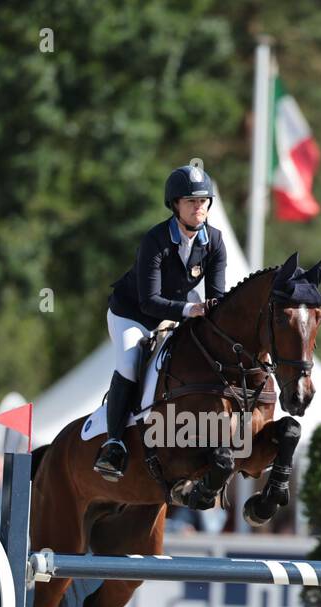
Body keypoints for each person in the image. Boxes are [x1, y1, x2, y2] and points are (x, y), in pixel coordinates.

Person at [93, 164, 228, 480]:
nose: (199, 207)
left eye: (204, 201)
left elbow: (216, 299)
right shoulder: (156, 239)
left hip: (174, 317)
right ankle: (113, 444)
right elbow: (148, 301)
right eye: (191, 201)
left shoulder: (215, 242)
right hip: (132, 315)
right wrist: (189, 312)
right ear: (175, 205)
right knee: (129, 364)